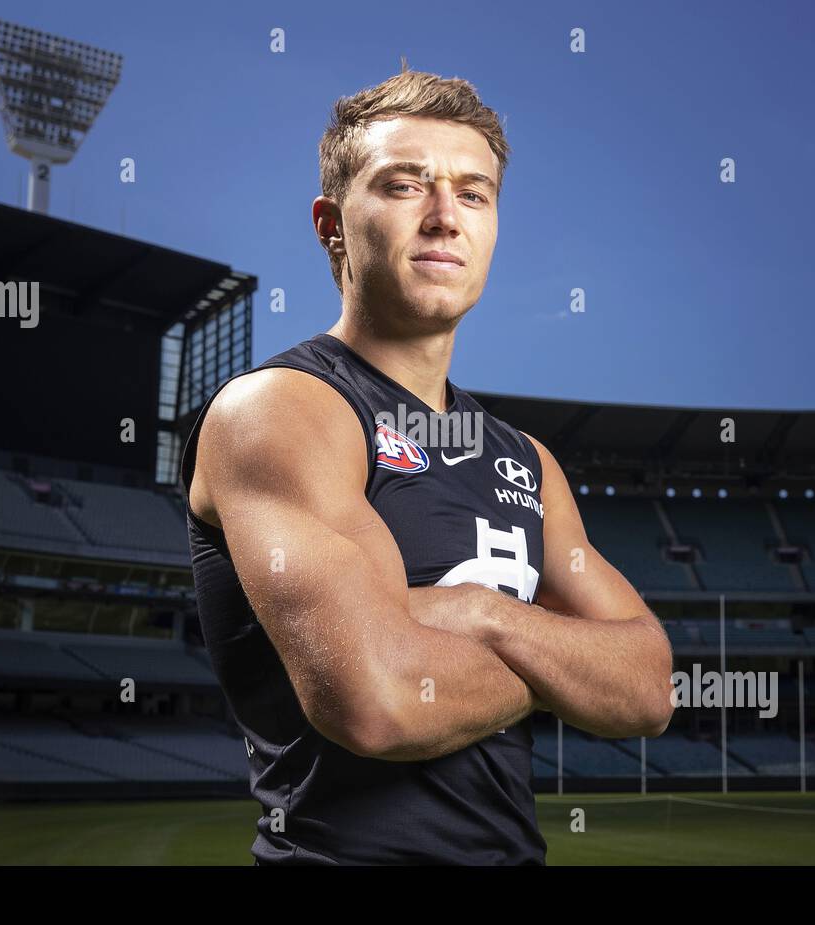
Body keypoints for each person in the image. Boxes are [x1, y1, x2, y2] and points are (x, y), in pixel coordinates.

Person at [180, 62, 675, 865]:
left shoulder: (526, 460)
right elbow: (379, 702)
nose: (446, 217)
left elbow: (650, 686)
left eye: (474, 194)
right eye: (406, 185)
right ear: (332, 223)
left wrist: (482, 615)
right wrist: (568, 668)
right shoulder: (280, 410)